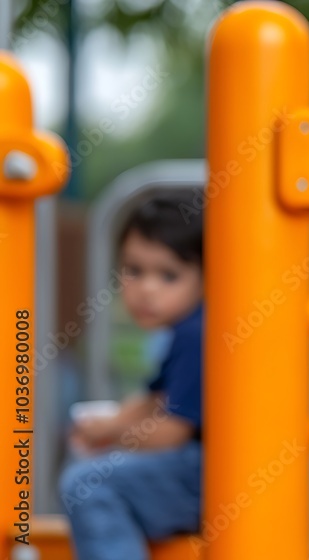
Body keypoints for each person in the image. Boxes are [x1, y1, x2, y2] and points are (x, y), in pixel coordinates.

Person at [59, 194, 204, 560]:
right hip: (196, 469)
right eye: (134, 270)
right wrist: (110, 422)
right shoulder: (185, 328)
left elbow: (172, 431)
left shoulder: (196, 334)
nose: (147, 289)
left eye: (168, 275)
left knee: (87, 486)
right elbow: (156, 397)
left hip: (205, 474)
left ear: (206, 276)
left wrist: (110, 434)